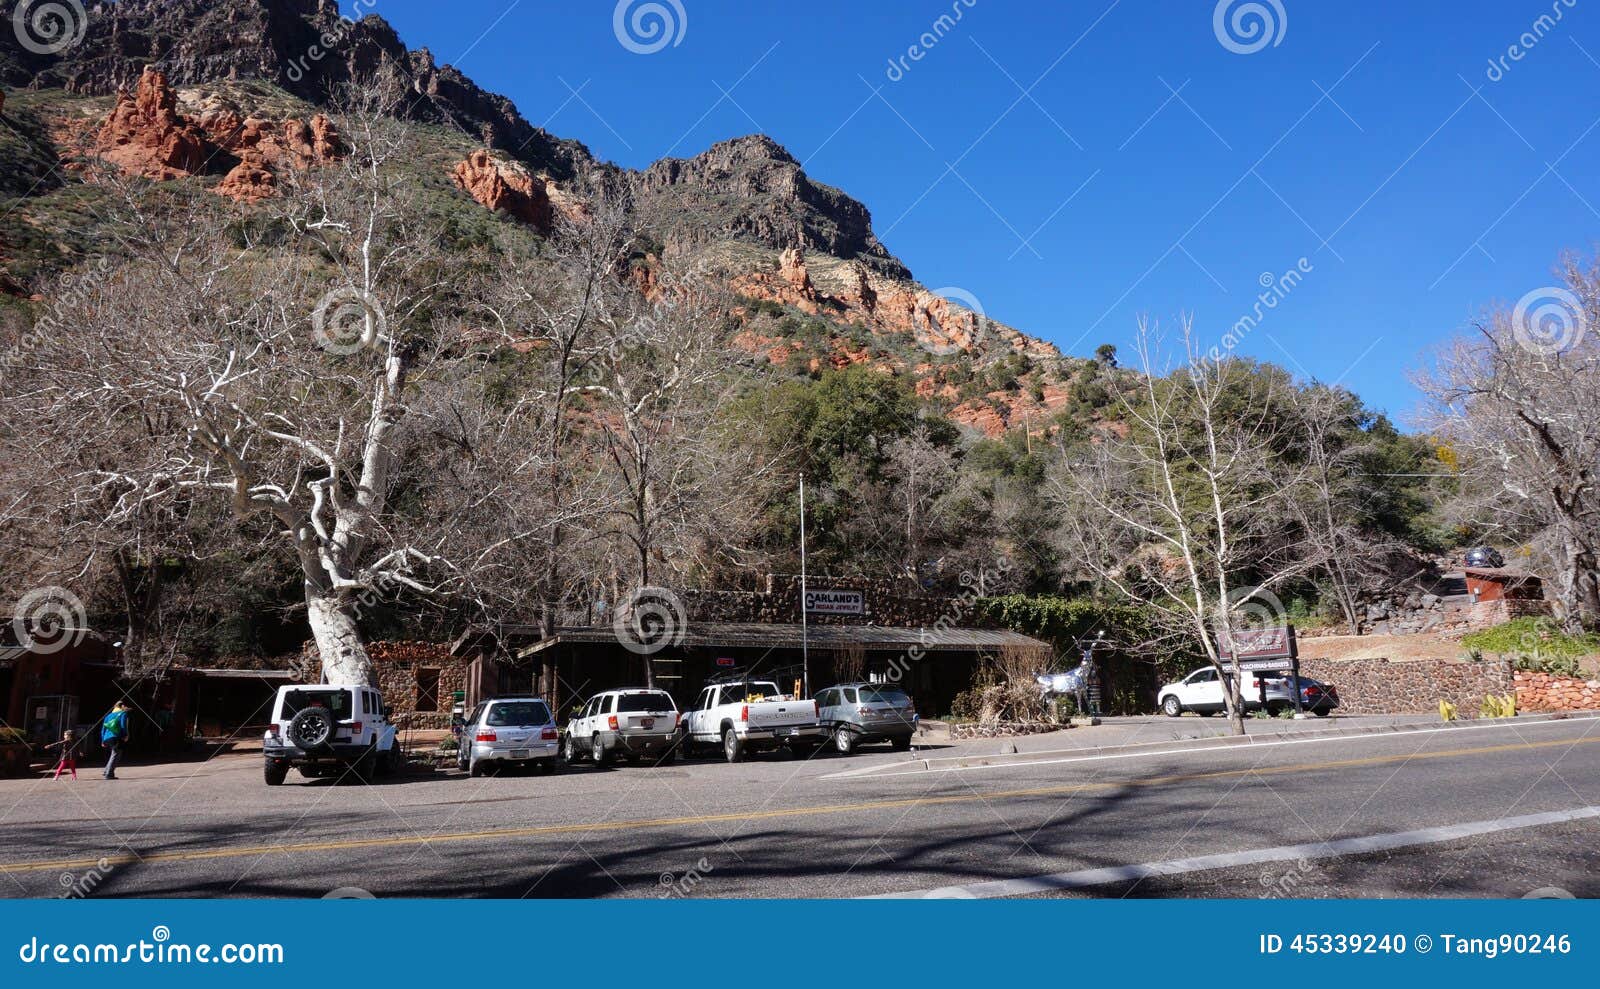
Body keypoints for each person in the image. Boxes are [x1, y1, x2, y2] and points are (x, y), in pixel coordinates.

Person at [100, 701, 131, 780]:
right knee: (116, 754)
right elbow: (123, 725)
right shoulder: (123, 714)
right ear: (122, 706)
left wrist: (103, 740)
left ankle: (106, 771)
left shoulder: (108, 715)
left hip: (107, 738)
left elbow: (103, 729)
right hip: (116, 737)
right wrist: (125, 735)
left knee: (113, 754)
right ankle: (109, 774)